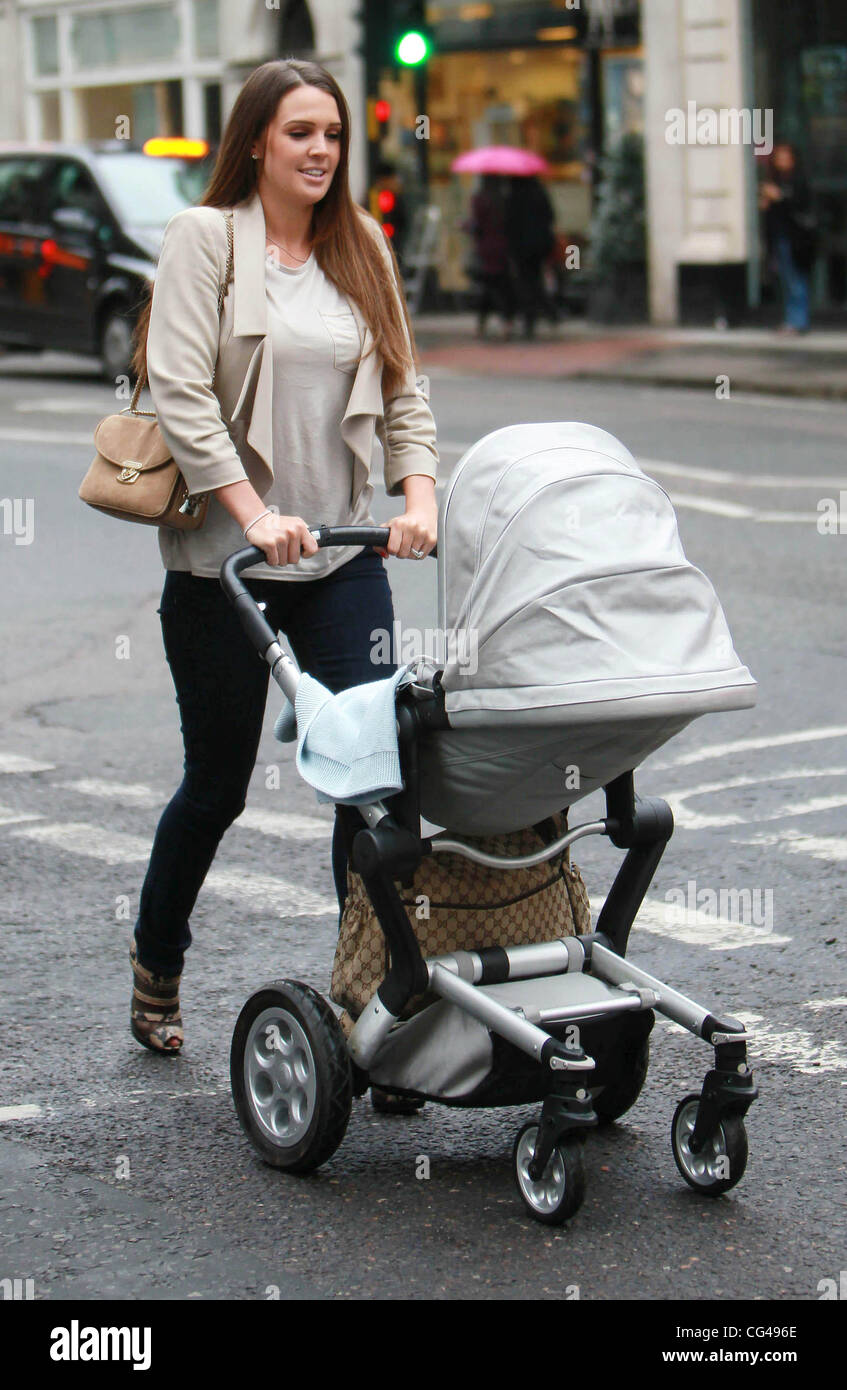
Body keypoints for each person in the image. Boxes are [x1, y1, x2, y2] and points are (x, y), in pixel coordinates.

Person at [127, 59, 439, 1080]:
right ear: (257, 140)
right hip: (227, 561)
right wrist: (254, 515)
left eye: (333, 135)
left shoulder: (364, 249)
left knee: (372, 786)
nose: (318, 151)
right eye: (299, 132)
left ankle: (374, 1011)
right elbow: (178, 386)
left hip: (342, 555)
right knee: (216, 783)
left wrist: (418, 498)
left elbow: (402, 388)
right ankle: (158, 960)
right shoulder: (206, 241)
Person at [760, 141, 817, 334]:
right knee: (788, 279)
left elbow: (798, 204)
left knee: (796, 280)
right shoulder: (776, 180)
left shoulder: (798, 180)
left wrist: (780, 197)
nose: (782, 162)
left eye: (786, 158)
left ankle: (799, 321)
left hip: (796, 239)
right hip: (780, 237)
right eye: (779, 158)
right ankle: (792, 319)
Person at [462, 173, 516, 339]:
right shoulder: (505, 200)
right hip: (502, 251)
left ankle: (482, 325)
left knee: (486, 289)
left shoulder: (479, 200)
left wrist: (465, 226)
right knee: (501, 288)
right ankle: (506, 323)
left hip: (485, 251)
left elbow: (476, 225)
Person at [504, 174, 556, 340]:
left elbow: (508, 223)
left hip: (521, 248)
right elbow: (551, 216)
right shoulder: (540, 193)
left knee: (525, 282)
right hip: (540, 246)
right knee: (535, 278)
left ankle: (531, 317)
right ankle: (547, 312)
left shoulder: (512, 197)